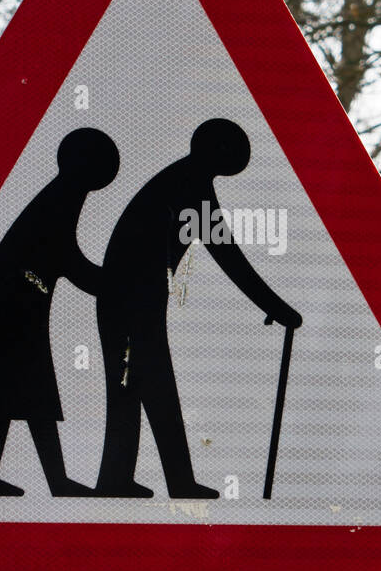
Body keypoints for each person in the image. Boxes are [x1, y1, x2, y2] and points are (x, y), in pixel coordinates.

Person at [94, 118, 301, 499]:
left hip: (132, 297)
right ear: (216, 150)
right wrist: (279, 308)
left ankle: (121, 479)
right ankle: (167, 481)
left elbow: (224, 251)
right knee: (152, 387)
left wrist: (278, 307)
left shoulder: (186, 181)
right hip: (132, 299)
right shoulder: (190, 186)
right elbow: (229, 257)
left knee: (137, 387)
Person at [0, 127, 118, 497]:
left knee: (22, 395)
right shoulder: (62, 197)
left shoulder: (62, 194)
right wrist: (115, 284)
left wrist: (103, 282)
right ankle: (29, 481)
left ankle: (39, 480)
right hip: (10, 314)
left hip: (14, 310)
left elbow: (62, 257)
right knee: (20, 393)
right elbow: (66, 256)